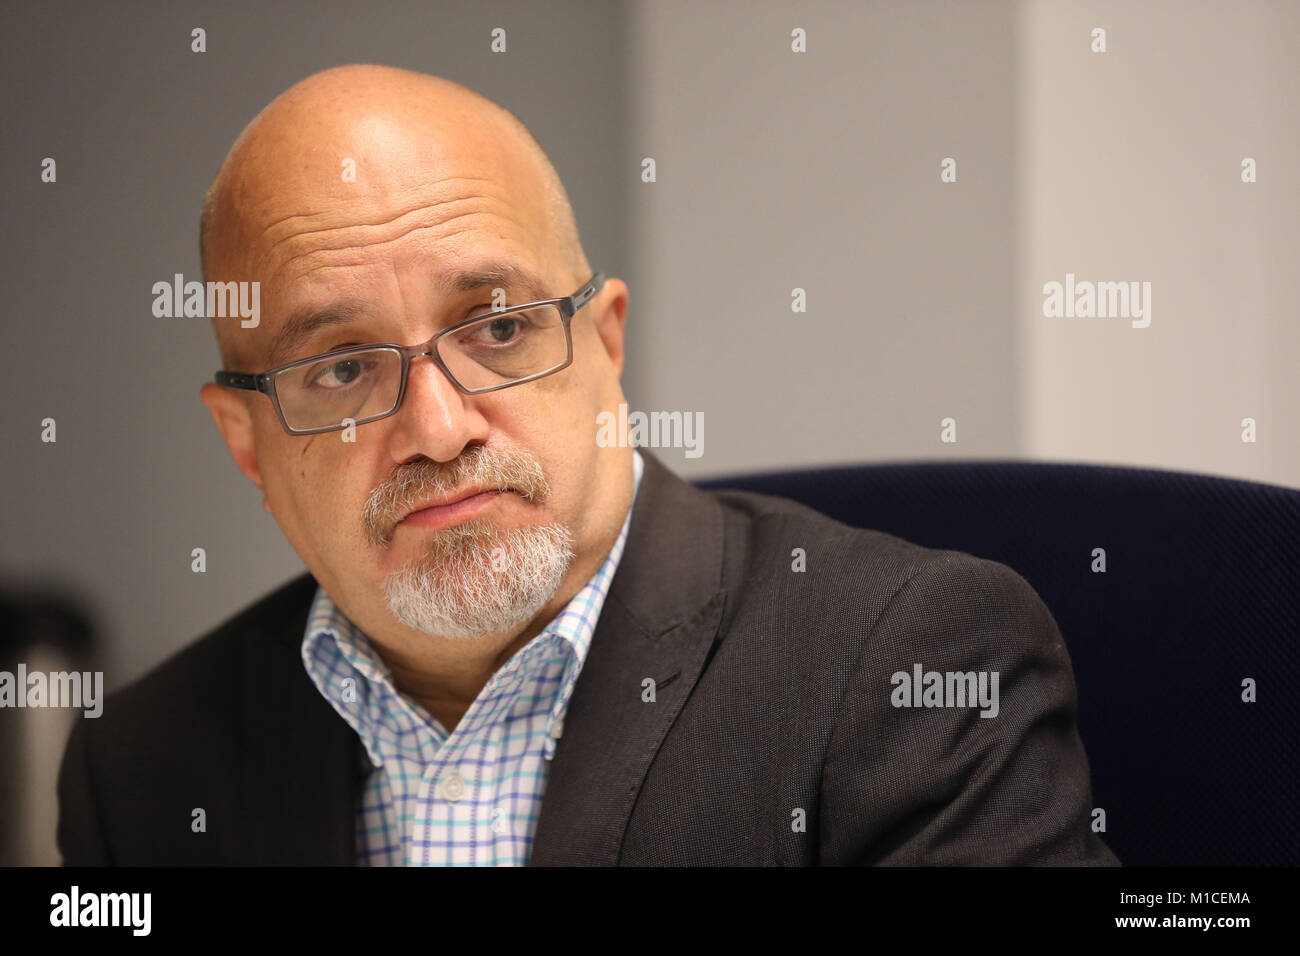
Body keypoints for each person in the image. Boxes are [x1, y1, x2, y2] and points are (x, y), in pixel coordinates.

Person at [56, 64, 1118, 866]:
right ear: (246, 441)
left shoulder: (905, 664)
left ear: (606, 343)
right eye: (340, 368)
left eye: (500, 327)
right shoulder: (143, 766)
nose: (437, 425)